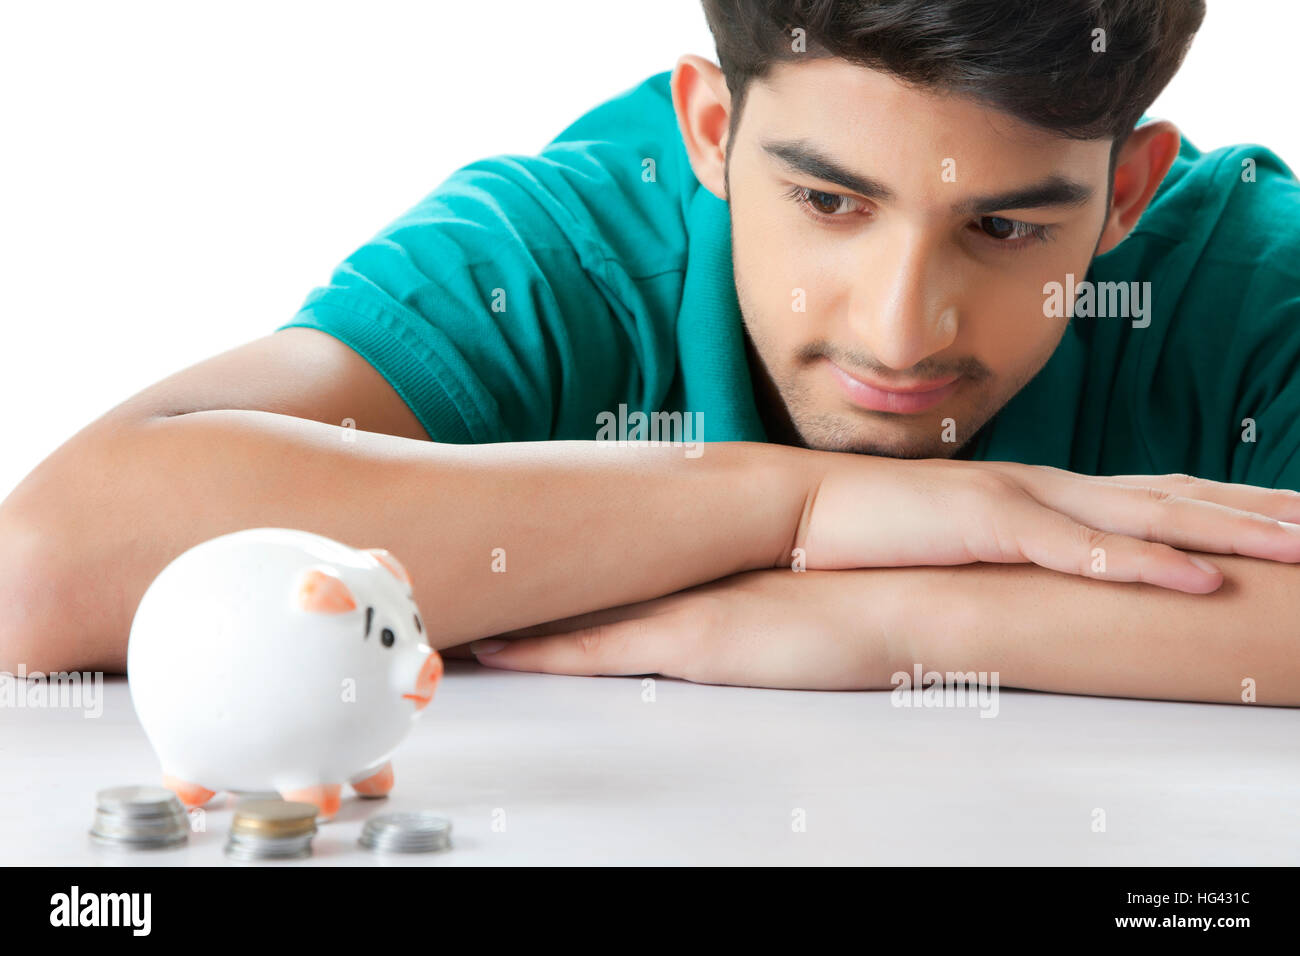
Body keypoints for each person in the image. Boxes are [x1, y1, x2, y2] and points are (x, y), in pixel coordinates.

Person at [3, 0, 1298, 704]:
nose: (902, 331)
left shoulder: (1251, 278)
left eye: (1006, 226)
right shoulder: (559, 255)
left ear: (1129, 192)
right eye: (829, 203)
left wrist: (901, 615)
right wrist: (807, 500)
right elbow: (48, 568)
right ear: (711, 124)